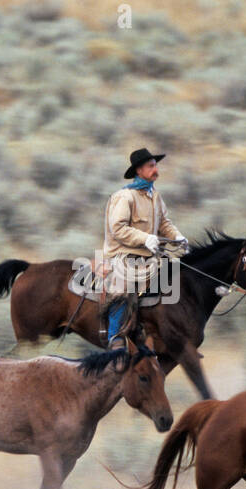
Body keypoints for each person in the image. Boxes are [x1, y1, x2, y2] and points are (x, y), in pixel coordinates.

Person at [101, 147, 187, 347]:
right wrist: (145, 238)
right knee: (122, 288)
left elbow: (164, 223)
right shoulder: (125, 197)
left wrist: (178, 237)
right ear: (139, 171)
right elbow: (117, 228)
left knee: (176, 275)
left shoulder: (154, 195)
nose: (155, 169)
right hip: (123, 254)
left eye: (155, 165)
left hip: (149, 255)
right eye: (151, 166)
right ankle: (115, 338)